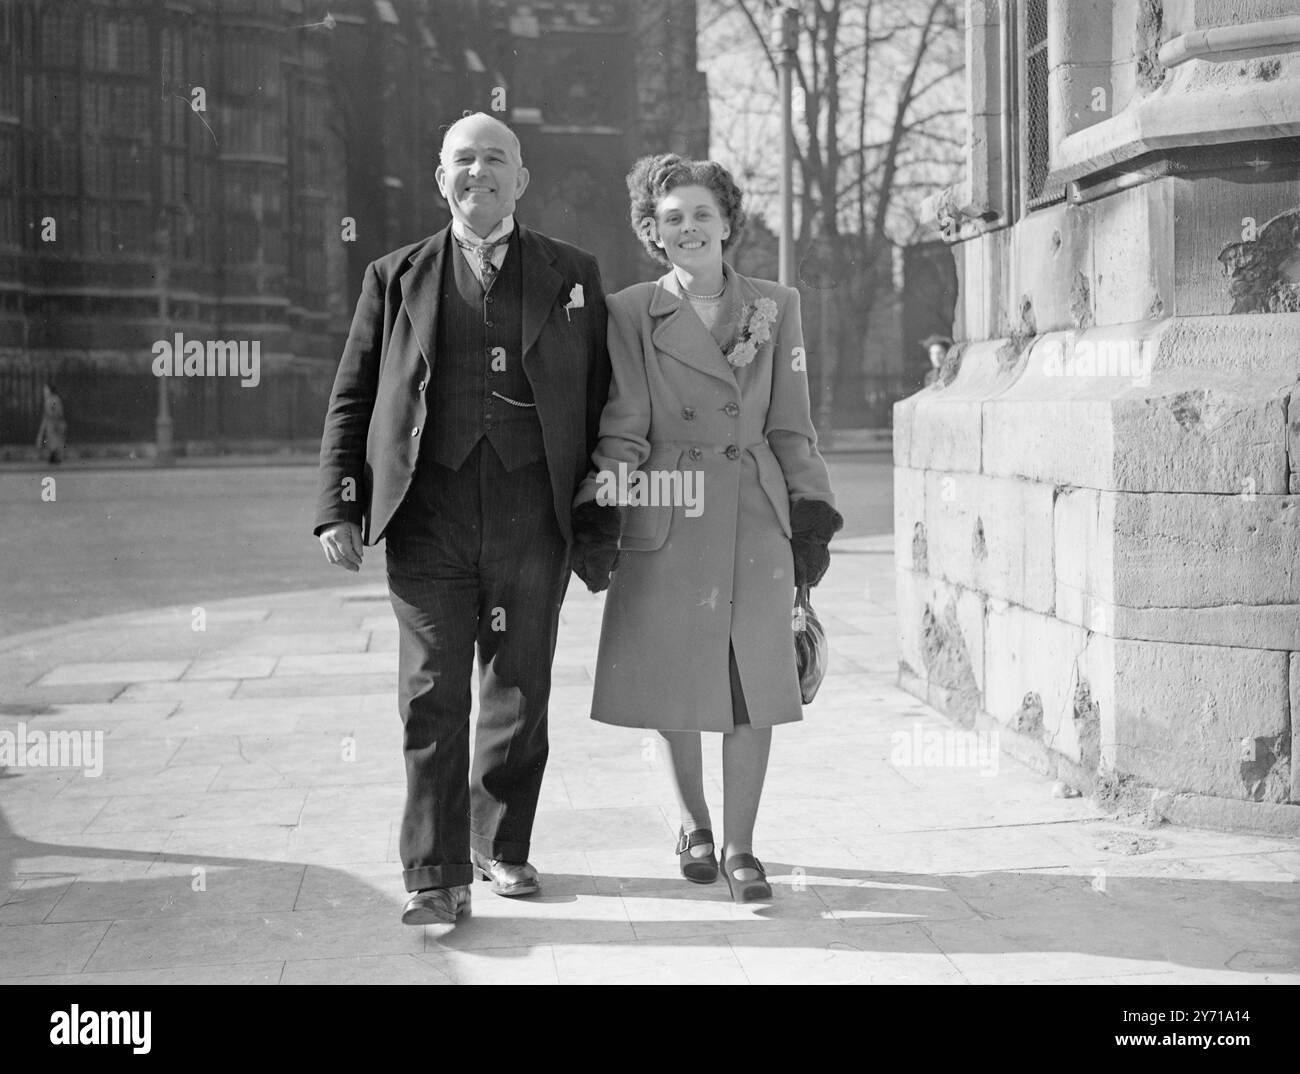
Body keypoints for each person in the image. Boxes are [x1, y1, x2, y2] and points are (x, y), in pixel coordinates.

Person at [314, 113, 611, 927]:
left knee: (520, 686)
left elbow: (602, 401)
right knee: (429, 694)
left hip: (531, 512)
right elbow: (354, 396)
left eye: (496, 159)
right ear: (439, 177)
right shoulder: (393, 274)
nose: (479, 172)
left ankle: (500, 847)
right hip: (426, 512)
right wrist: (338, 504)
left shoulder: (573, 273)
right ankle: (434, 872)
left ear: (522, 179)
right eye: (463, 159)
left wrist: (600, 516)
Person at [570, 155, 841, 903]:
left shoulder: (776, 305)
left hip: (755, 517)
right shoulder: (629, 311)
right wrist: (603, 503)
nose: (688, 227)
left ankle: (743, 847)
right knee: (673, 678)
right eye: (672, 218)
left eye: (701, 214)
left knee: (755, 678)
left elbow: (793, 424)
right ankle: (691, 823)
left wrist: (811, 513)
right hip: (666, 508)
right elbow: (624, 423)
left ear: (728, 222)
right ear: (653, 234)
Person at [35, 382, 67, 464]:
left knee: (53, 442)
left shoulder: (52, 400)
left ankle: (54, 458)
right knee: (52, 441)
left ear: (50, 390)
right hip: (52, 424)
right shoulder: (53, 399)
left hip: (53, 424)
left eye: (46, 389)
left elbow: (56, 412)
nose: (44, 391)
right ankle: (53, 457)